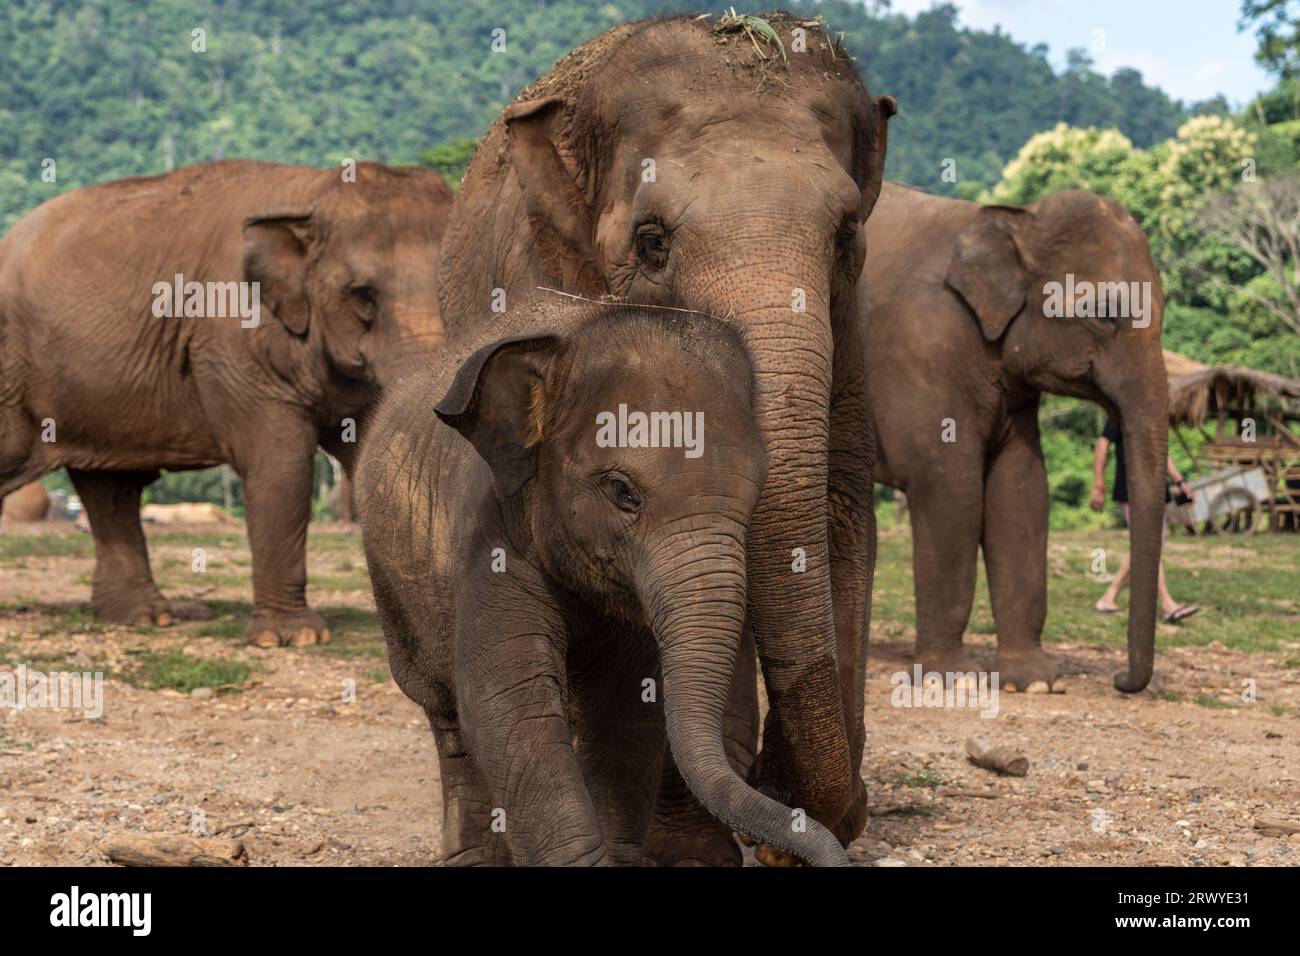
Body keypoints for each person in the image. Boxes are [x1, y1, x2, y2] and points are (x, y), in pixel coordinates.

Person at [1091, 418, 1199, 624]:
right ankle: (1167, 605)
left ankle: (1109, 597)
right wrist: (1099, 484)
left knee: (1146, 547)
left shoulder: (1155, 413)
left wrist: (1180, 482)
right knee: (1148, 546)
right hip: (1133, 489)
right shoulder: (1124, 410)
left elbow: (1161, 454)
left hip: (1154, 489)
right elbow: (1102, 443)